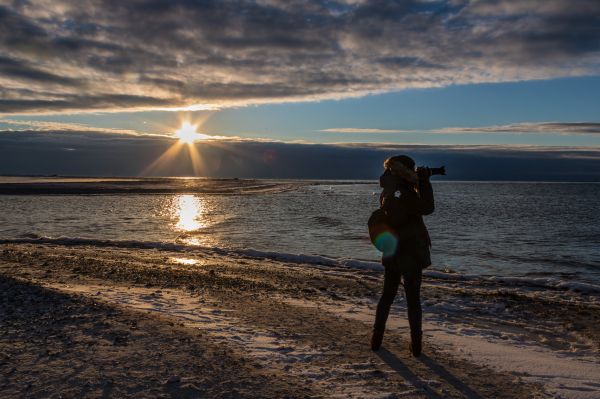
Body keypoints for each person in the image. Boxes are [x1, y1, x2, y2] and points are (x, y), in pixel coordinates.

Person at [371, 155, 435, 357]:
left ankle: (376, 339)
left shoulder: (387, 190)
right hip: (411, 253)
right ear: (405, 171)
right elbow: (427, 207)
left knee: (387, 296)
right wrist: (424, 183)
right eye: (412, 170)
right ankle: (416, 347)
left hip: (392, 251)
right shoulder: (404, 194)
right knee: (412, 300)